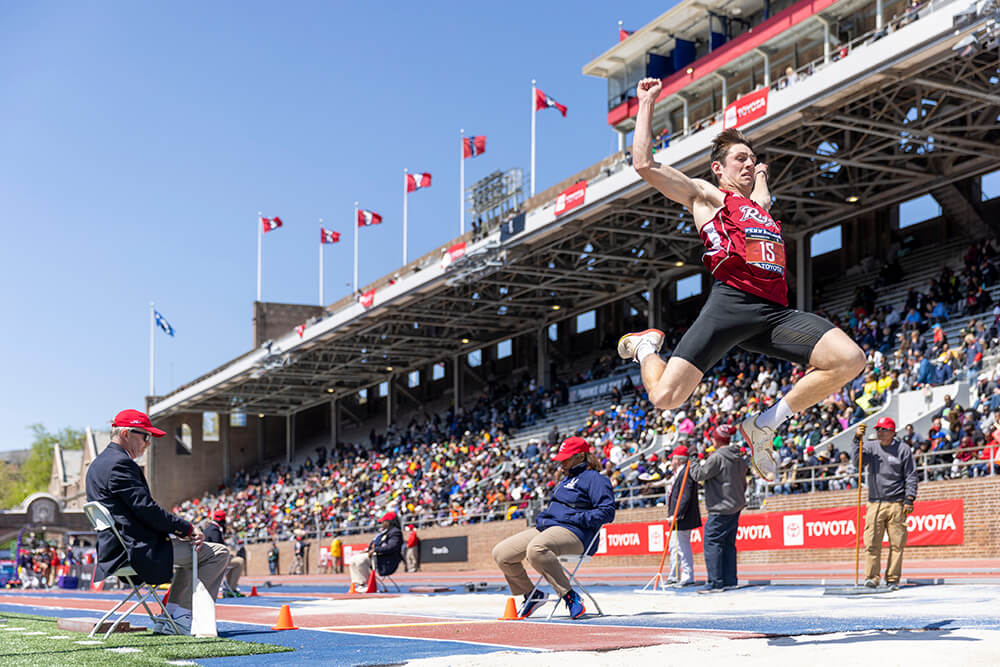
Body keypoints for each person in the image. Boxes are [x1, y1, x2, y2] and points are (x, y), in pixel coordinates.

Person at [617, 76, 866, 482]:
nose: (748, 164)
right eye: (740, 159)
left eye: (753, 159)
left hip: (772, 314)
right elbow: (644, 165)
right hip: (730, 305)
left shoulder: (761, 209)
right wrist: (646, 103)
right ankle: (646, 348)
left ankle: (765, 424)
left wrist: (762, 172)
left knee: (850, 359)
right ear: (718, 169)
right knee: (666, 397)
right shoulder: (708, 196)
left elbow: (763, 198)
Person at [85, 409, 230, 635]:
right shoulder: (120, 464)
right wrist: (188, 528)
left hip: (119, 548)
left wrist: (177, 532)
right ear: (126, 433)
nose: (148, 443)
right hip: (134, 551)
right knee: (218, 553)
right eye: (145, 436)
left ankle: (172, 615)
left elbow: (135, 513)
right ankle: (181, 615)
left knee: (196, 552)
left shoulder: (97, 465)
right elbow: (146, 509)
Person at [492, 437, 615, 619]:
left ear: (580, 457)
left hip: (577, 534)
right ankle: (532, 595)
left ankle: (569, 596)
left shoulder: (595, 479)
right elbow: (555, 511)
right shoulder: (563, 482)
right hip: (549, 528)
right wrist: (543, 518)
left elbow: (607, 512)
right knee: (501, 553)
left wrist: (575, 518)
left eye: (566, 458)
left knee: (536, 549)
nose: (561, 463)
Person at [853, 417, 918, 590]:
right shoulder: (871, 446)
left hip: (897, 503)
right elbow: (858, 463)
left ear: (893, 432)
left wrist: (909, 499)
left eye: (883, 429)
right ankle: (872, 578)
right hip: (875, 503)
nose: (879, 432)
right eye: (878, 429)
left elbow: (911, 475)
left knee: (897, 544)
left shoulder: (903, 449)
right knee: (871, 543)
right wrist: (856, 440)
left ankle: (892, 579)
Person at [686, 425, 747, 592]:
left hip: (720, 507)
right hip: (735, 506)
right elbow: (744, 482)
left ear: (716, 439)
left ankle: (715, 582)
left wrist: (693, 458)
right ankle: (729, 580)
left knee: (712, 543)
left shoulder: (717, 457)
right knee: (728, 544)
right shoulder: (739, 457)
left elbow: (698, 475)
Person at [665, 445, 700, 587]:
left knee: (682, 547)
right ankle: (674, 575)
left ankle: (687, 575)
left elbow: (685, 496)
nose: (671, 461)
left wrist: (677, 514)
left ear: (678, 460)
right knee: (674, 547)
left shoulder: (686, 472)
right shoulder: (679, 473)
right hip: (677, 517)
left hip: (682, 518)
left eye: (672, 459)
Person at [349, 511, 403, 590]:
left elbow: (392, 547)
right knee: (353, 559)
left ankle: (365, 584)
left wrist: (375, 550)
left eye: (383, 522)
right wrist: (368, 550)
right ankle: (359, 583)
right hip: (376, 556)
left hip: (386, 559)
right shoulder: (384, 532)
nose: (382, 523)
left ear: (389, 522)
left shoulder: (395, 532)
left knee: (360, 560)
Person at [202, 510, 244, 596]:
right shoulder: (215, 530)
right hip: (214, 562)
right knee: (240, 561)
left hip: (207, 560)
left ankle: (228, 587)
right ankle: (232, 588)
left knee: (232, 562)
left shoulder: (208, 529)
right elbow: (219, 549)